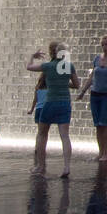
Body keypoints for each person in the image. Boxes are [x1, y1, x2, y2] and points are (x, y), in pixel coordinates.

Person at [28, 42, 80, 177]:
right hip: (65, 103)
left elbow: (29, 67)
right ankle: (67, 167)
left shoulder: (48, 66)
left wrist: (32, 56)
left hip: (50, 102)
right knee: (65, 136)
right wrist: (63, 83)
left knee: (42, 134)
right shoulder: (69, 66)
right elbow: (77, 85)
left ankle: (40, 166)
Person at [76, 35, 107, 161]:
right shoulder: (97, 59)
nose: (104, 47)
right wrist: (83, 91)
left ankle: (106, 153)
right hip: (95, 95)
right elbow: (92, 77)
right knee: (98, 125)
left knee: (105, 124)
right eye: (102, 45)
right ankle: (100, 152)